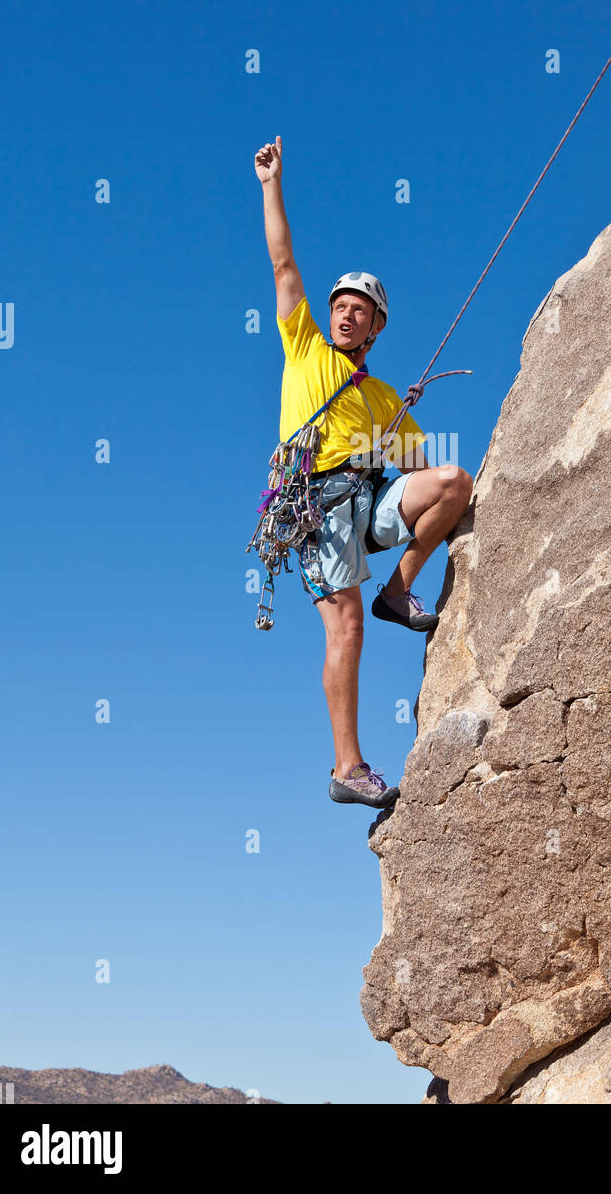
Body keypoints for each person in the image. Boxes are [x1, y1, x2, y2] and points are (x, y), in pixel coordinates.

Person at [255, 136, 473, 809]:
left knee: (454, 482)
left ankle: (397, 592)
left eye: (361, 311)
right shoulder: (305, 349)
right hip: (316, 506)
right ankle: (346, 768)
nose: (347, 313)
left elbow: (423, 473)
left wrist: (400, 421)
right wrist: (271, 183)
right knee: (343, 625)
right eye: (341, 306)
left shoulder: (382, 400)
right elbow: (284, 261)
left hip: (367, 503)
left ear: (376, 329)